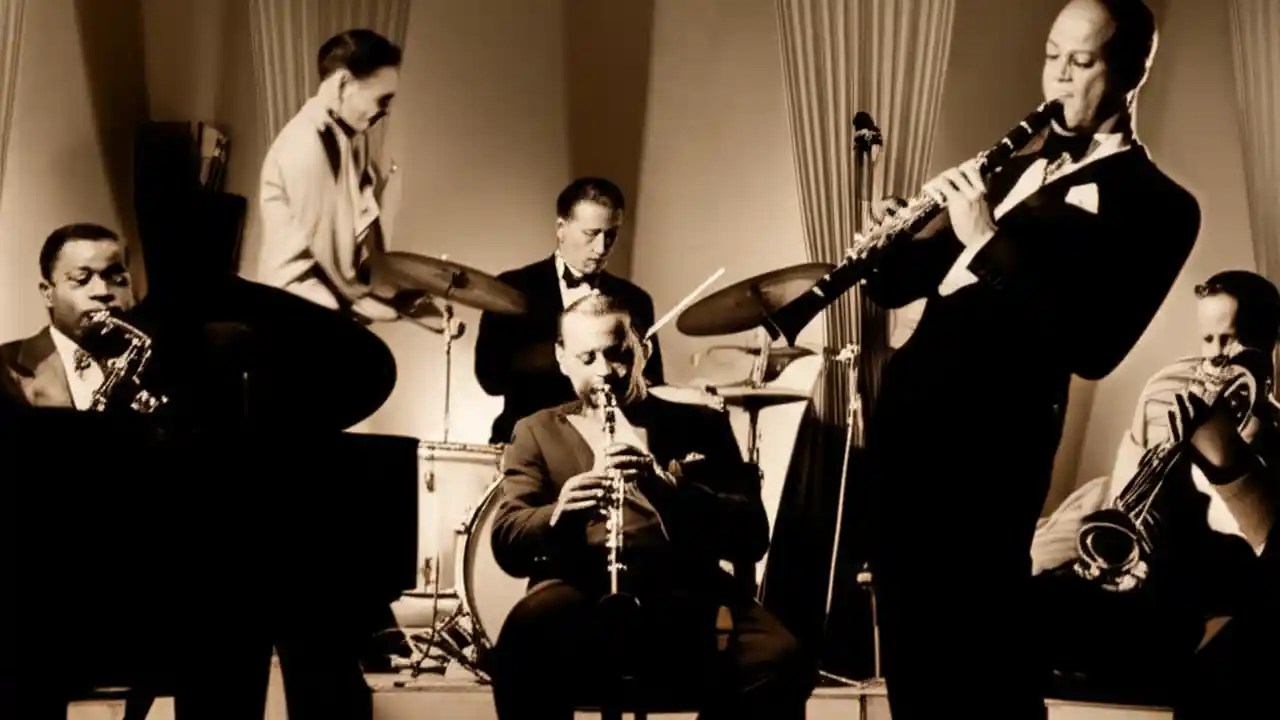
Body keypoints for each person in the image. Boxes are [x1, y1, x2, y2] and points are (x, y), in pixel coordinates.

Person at [859, 1, 1199, 718]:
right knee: (914, 657)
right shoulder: (1015, 165)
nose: (1058, 79)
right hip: (907, 436)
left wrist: (985, 237)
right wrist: (896, 232)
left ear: (1133, 72)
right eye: (1052, 56)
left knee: (982, 657)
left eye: (1081, 63)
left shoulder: (1159, 203)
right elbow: (896, 287)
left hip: (989, 451)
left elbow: (1094, 343)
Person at [487, 292, 811, 719]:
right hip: (576, 586)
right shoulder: (535, 430)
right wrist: (559, 513)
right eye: (587, 359)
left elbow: (752, 534)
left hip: (685, 589)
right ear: (562, 359)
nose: (603, 372)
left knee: (780, 658)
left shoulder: (701, 423)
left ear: (644, 350)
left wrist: (664, 487)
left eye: (616, 354)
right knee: (519, 648)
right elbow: (507, 539)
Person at [1028, 271, 1279, 712]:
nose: (1217, 357)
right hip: (1151, 574)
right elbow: (1125, 494)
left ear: (1269, 338)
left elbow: (1257, 540)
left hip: (1212, 587)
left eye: (1232, 340)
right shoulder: (1168, 387)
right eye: (1208, 339)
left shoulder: (1274, 427)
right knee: (1024, 607)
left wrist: (1226, 444)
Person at [475, 177, 665, 444]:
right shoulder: (512, 289)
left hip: (607, 444)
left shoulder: (635, 300)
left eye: (611, 235)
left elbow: (652, 382)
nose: (601, 248)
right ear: (561, 229)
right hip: (527, 439)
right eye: (591, 234)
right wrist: (570, 358)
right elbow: (489, 379)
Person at [256, 28, 404, 323]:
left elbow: (362, 236)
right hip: (289, 309)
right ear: (344, 84)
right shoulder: (306, 144)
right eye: (382, 99)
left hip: (317, 302)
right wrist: (374, 302)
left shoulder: (343, 140)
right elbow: (330, 255)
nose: (385, 111)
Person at [1, 224, 138, 409]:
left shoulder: (165, 361)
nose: (103, 291)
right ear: (48, 293)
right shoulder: (5, 367)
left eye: (117, 279)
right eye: (81, 278)